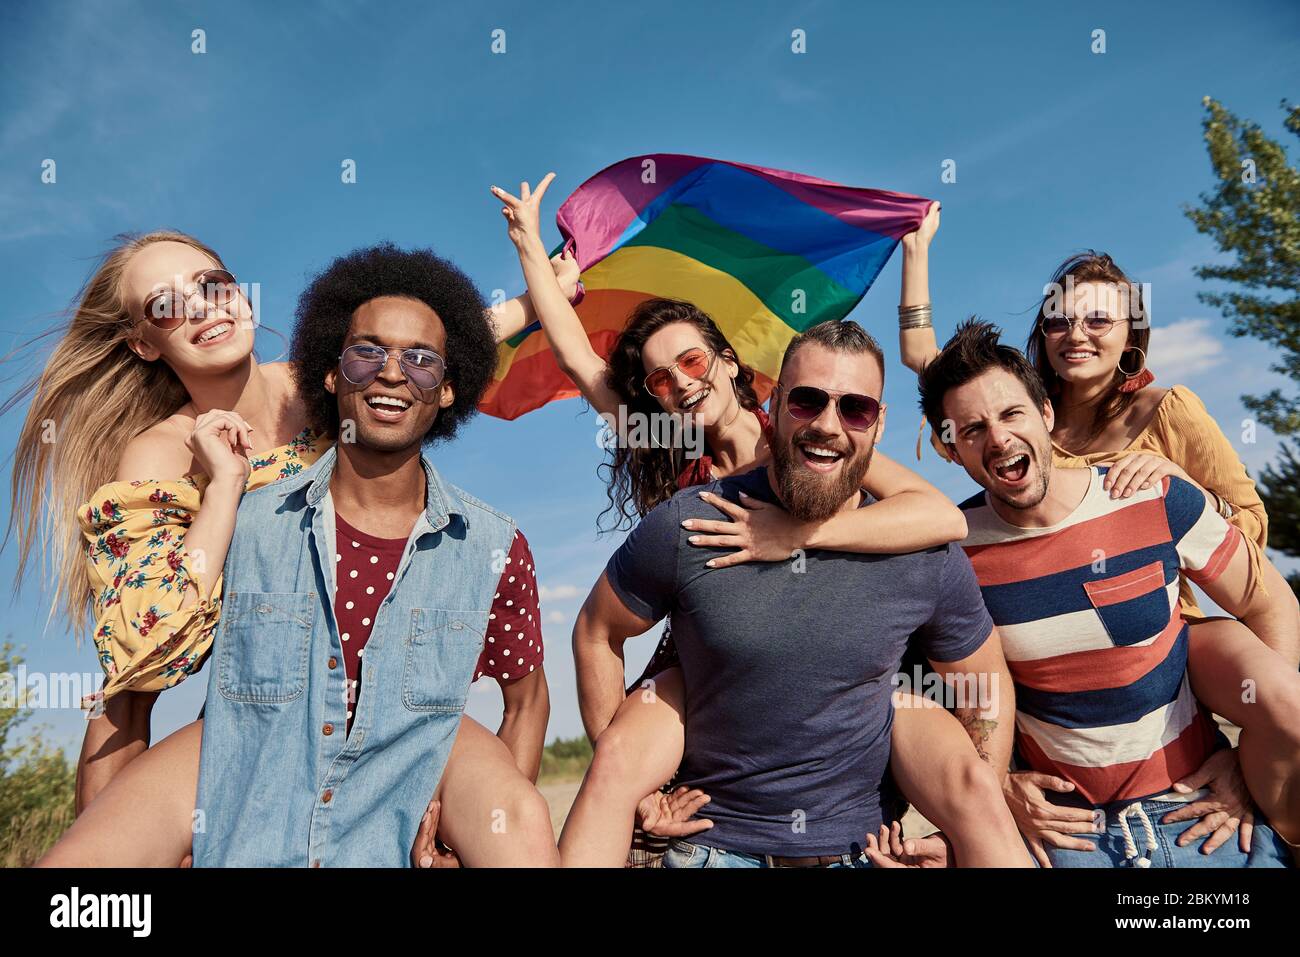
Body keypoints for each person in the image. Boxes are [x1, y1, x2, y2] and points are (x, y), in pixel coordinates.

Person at [6, 230, 574, 816]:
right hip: (261, 709)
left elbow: (429, 338)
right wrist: (224, 488)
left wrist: (541, 296)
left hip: (384, 688)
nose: (201, 307)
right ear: (143, 343)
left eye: (212, 286)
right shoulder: (159, 457)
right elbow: (148, 653)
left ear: (242, 297)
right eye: (166, 305)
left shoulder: (327, 380)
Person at [565, 319, 1030, 868]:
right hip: (710, 848)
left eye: (855, 408)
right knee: (628, 743)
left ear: (877, 425)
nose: (829, 425)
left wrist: (977, 814)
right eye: (808, 401)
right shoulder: (694, 521)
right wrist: (635, 787)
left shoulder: (920, 545)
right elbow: (596, 632)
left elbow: (981, 684)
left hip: (863, 852)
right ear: (778, 403)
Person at [912, 319, 1300, 867]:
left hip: (1206, 818)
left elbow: (1271, 602)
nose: (997, 438)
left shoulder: (1151, 495)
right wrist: (998, 786)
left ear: (1046, 413)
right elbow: (943, 696)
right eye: (971, 429)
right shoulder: (951, 554)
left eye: (1011, 413)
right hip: (1070, 840)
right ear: (950, 449)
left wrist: (1247, 757)